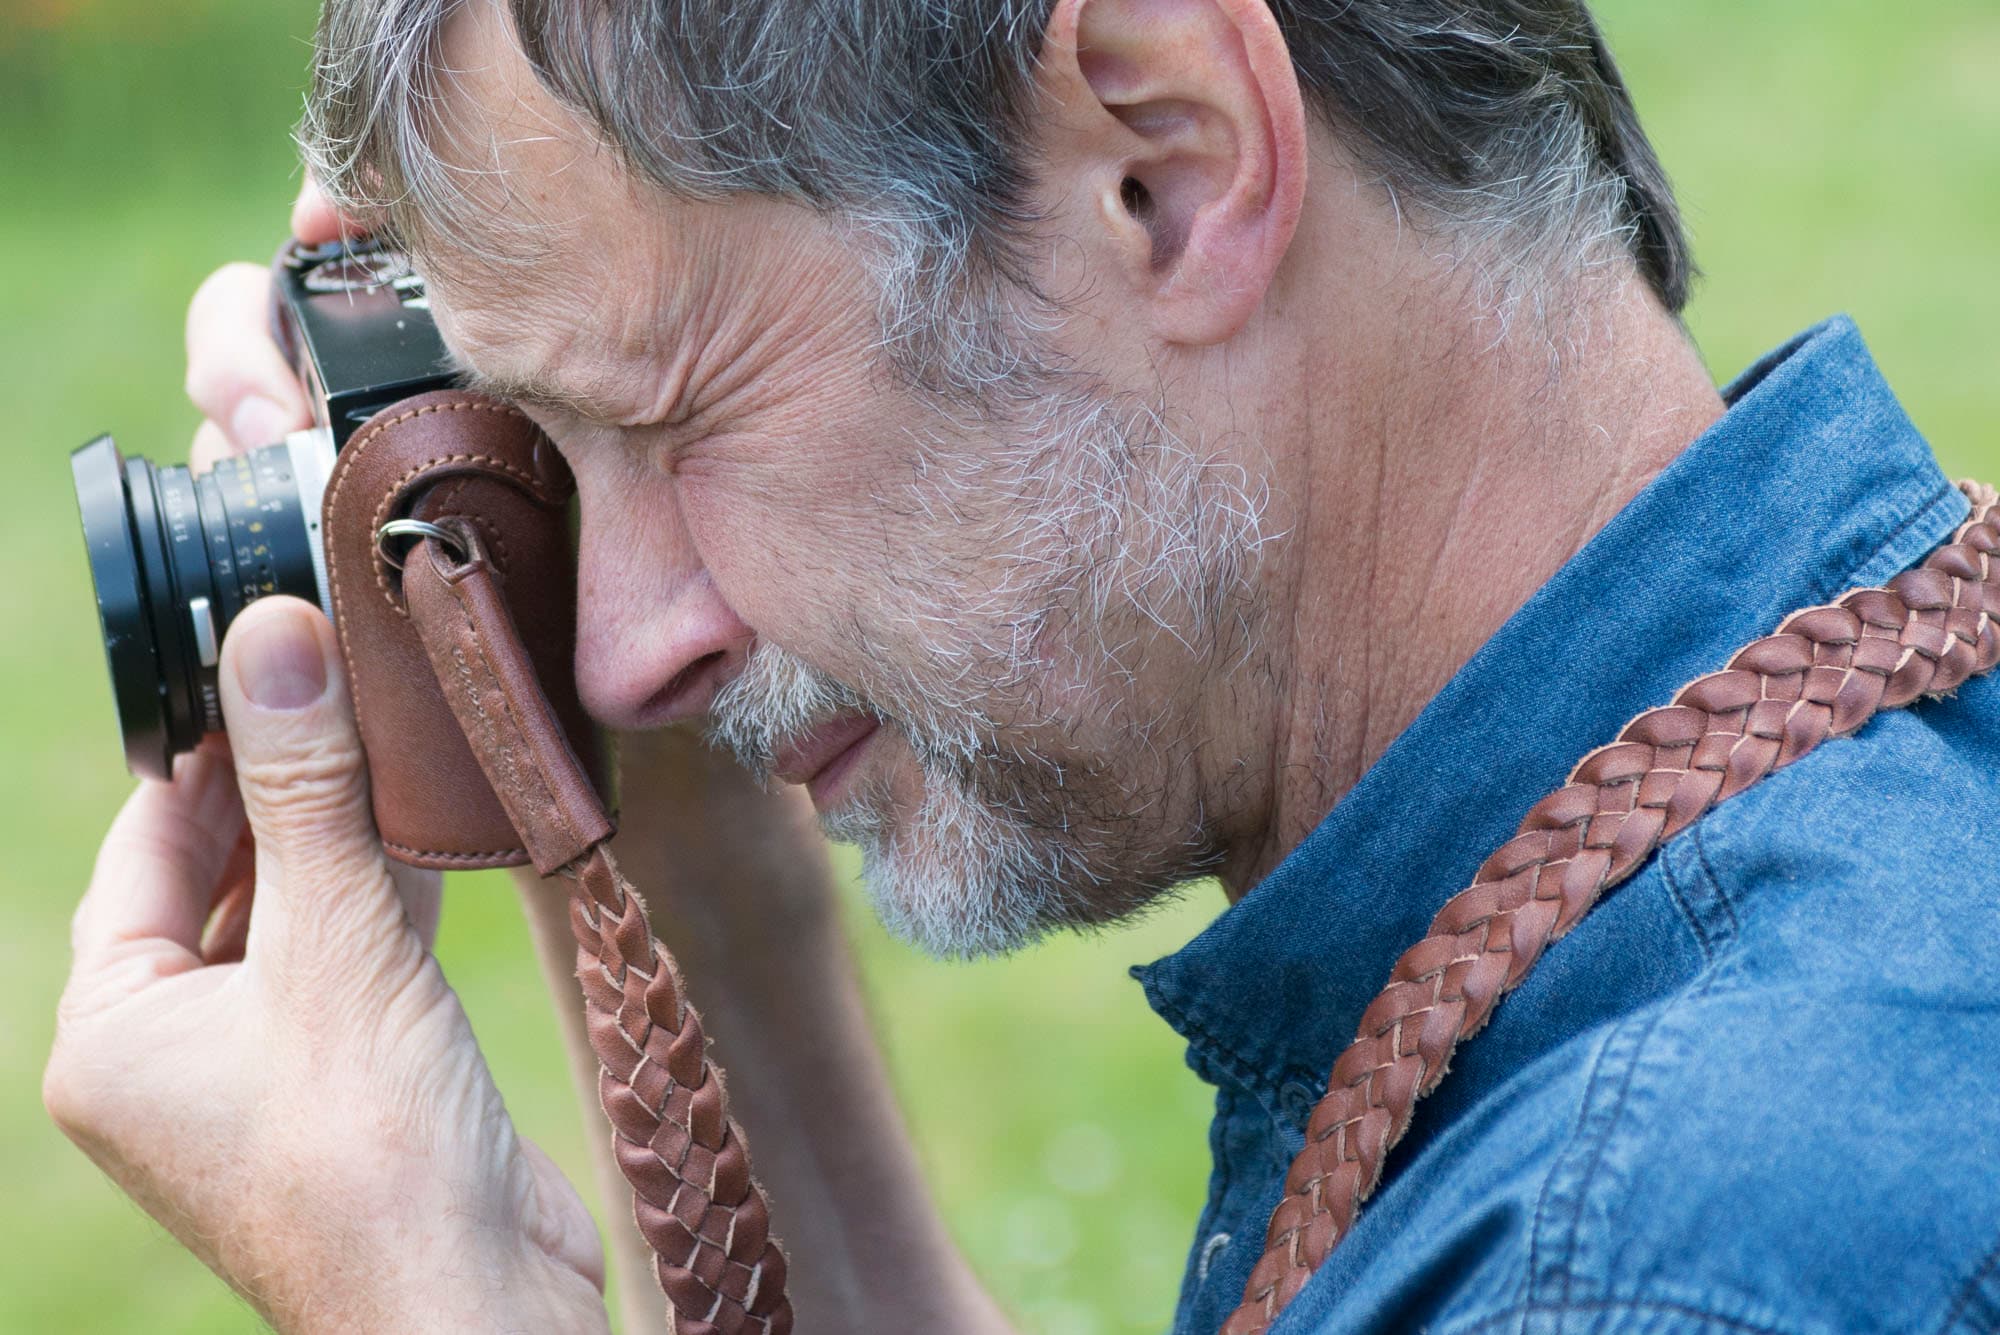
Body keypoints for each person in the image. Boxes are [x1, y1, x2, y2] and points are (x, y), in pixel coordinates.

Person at [42, 0, 2000, 1331]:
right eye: (557, 449)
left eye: (673, 415)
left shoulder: (1667, 1241)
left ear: (1168, 157)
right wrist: (693, 900)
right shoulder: (1828, 773)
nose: (631, 649)